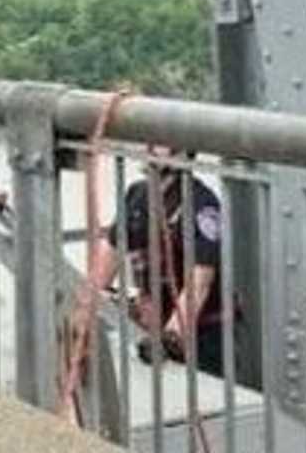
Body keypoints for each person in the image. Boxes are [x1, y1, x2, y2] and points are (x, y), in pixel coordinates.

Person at [88, 154, 245, 380]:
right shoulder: (137, 196)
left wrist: (170, 338)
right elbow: (107, 259)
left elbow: (199, 283)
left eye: (159, 140)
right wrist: (84, 309)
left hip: (204, 334)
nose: (149, 146)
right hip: (156, 327)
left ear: (181, 153)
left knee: (205, 402)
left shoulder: (201, 206)